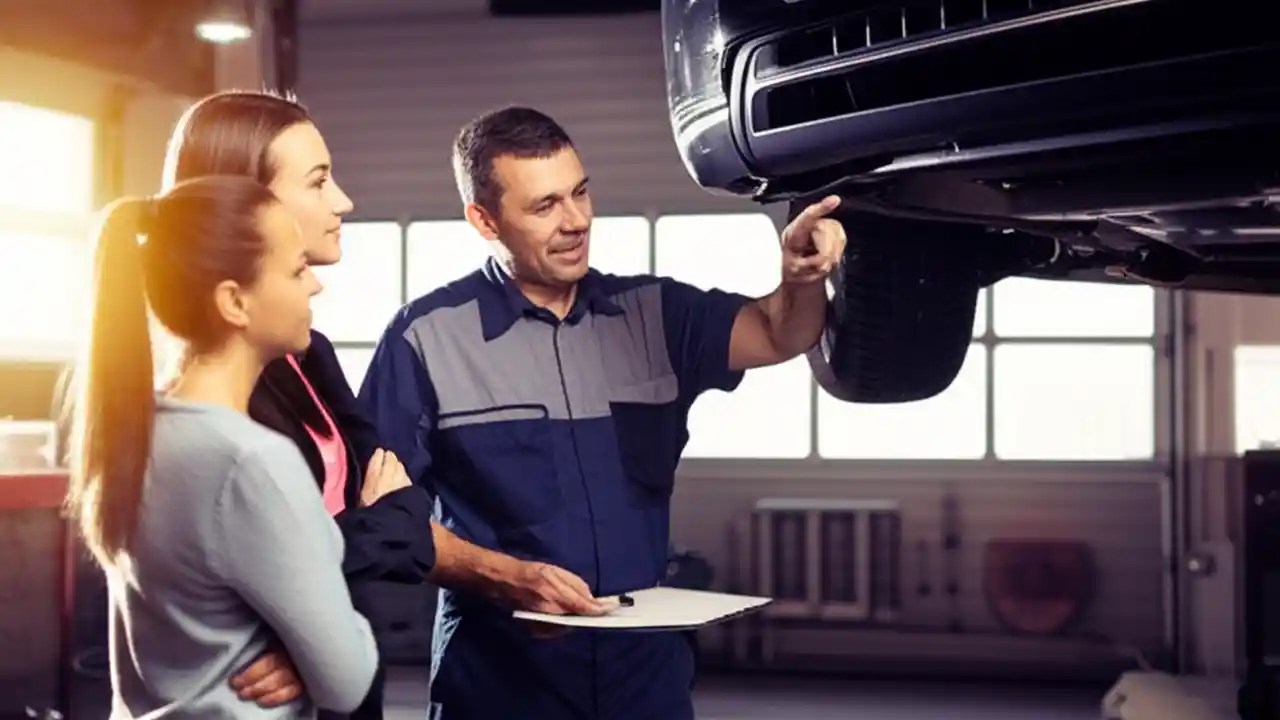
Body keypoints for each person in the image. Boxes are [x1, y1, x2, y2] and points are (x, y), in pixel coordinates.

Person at [357, 106, 847, 719]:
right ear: (484, 220)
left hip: (644, 683)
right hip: (499, 687)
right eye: (545, 207)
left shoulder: (656, 314)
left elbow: (779, 332)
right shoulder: (425, 339)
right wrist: (499, 575)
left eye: (580, 193)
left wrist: (800, 277)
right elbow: (380, 515)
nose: (577, 221)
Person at [167, 91, 610, 717]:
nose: (342, 200)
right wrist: (359, 547)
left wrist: (351, 552)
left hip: (337, 678)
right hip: (255, 691)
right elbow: (302, 542)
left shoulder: (308, 350)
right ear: (246, 201)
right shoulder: (201, 399)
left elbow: (400, 507)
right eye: (318, 181)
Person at [63, 175, 378, 717]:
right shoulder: (251, 461)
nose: (315, 286)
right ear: (234, 301)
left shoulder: (135, 430)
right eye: (297, 269)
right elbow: (347, 681)